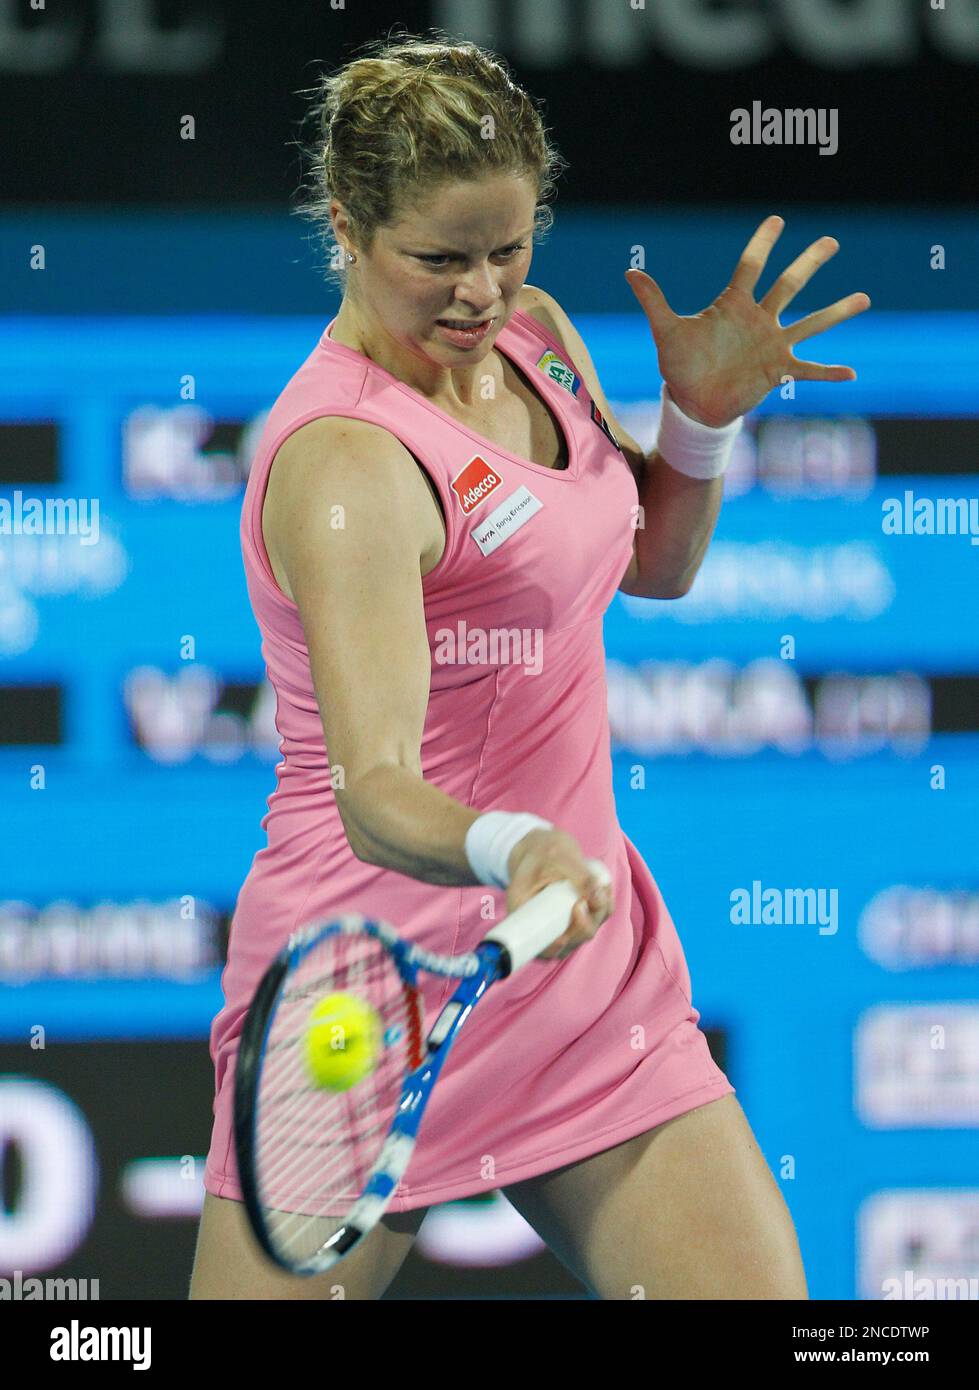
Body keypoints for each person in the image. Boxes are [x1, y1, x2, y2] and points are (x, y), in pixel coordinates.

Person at [190, 32, 868, 1301]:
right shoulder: (347, 463)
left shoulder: (534, 340)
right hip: (367, 988)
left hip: (575, 962)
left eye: (507, 250)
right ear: (345, 225)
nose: (480, 293)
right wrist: (518, 845)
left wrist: (701, 424)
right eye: (437, 259)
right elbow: (373, 787)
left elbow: (647, 568)